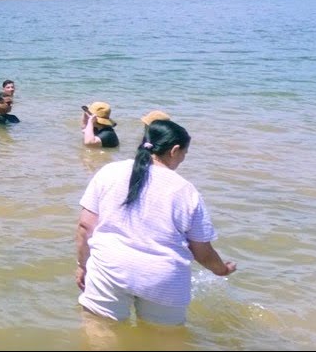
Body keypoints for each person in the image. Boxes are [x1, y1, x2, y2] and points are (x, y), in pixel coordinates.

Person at [75, 120, 237, 325]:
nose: (183, 159)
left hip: (109, 269)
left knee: (101, 333)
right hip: (162, 279)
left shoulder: (109, 172)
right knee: (163, 340)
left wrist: (82, 265)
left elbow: (86, 227)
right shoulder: (185, 190)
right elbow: (202, 251)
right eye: (184, 154)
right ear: (175, 150)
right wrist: (222, 270)